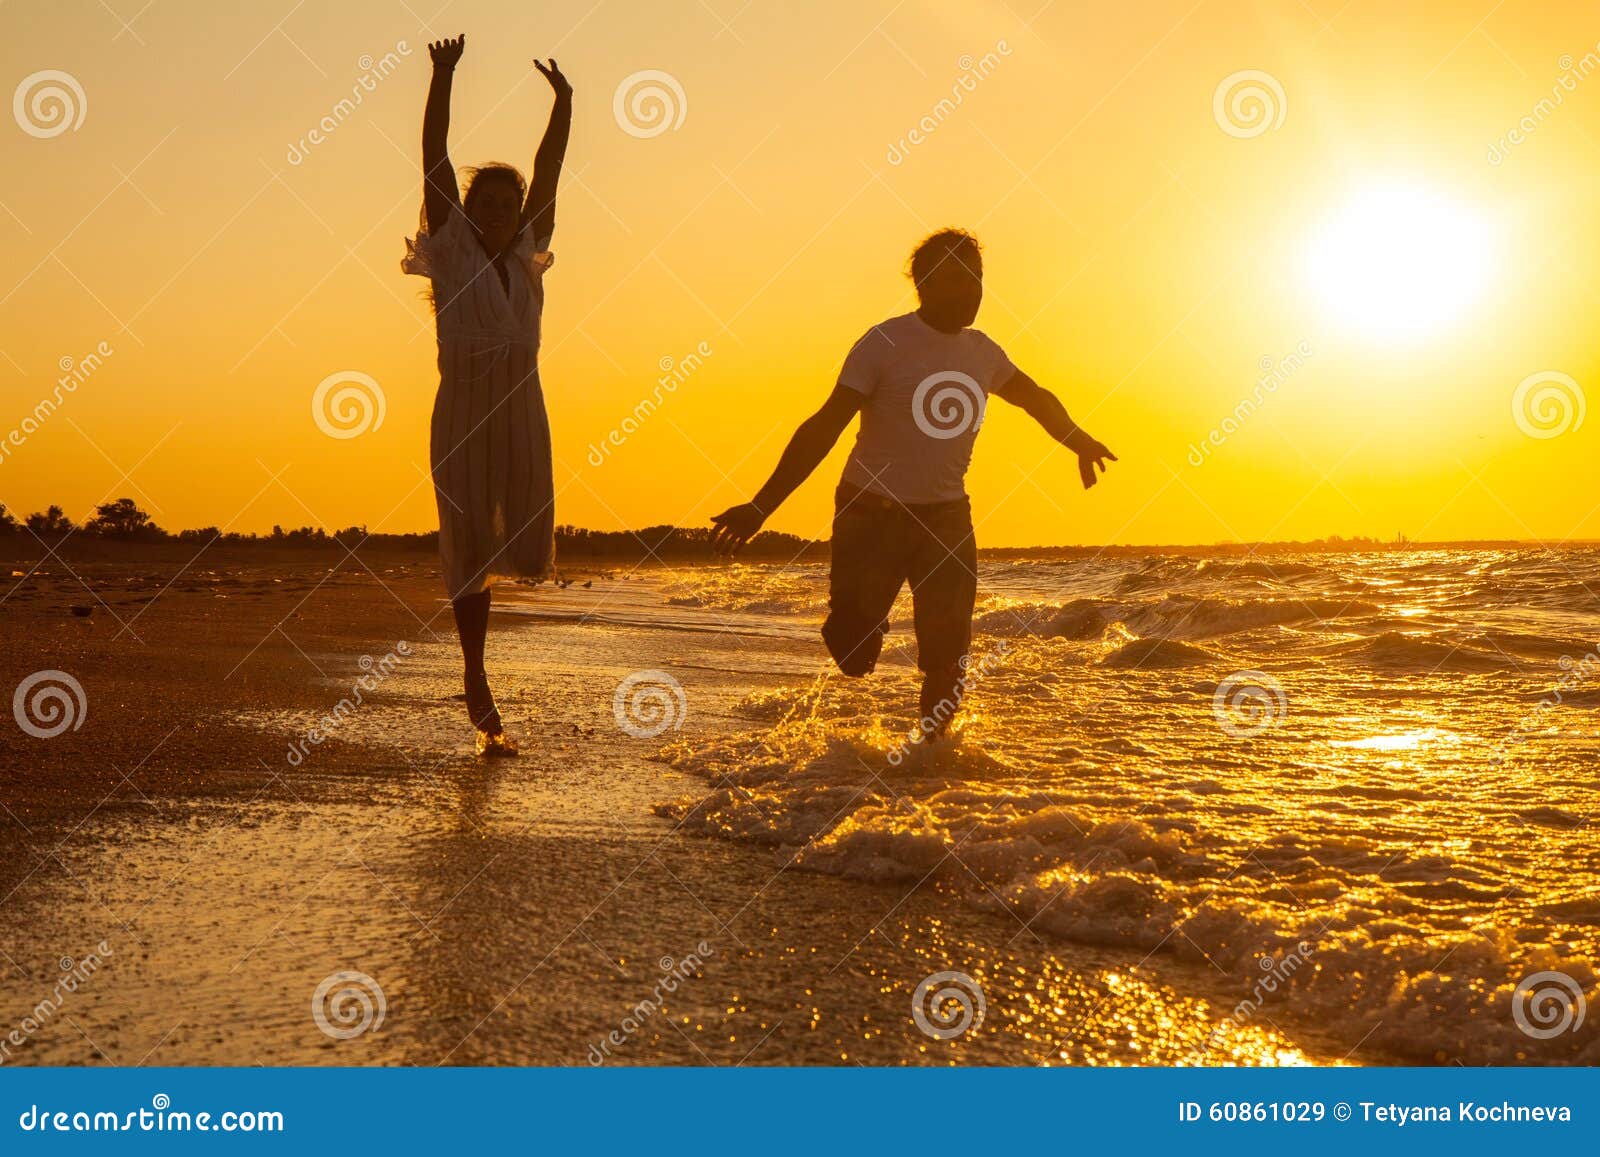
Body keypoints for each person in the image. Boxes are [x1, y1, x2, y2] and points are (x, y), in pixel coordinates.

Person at [710, 229, 1115, 741]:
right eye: (958, 279)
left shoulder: (983, 352)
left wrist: (1077, 440)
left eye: (978, 279)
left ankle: (930, 759)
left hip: (946, 518)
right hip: (869, 512)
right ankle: (863, 622)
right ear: (925, 283)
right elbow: (824, 425)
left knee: (948, 657)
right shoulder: (884, 343)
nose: (973, 292)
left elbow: (1035, 396)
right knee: (854, 656)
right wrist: (762, 506)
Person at [402, 35, 572, 755]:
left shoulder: (530, 252)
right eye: (488, 201)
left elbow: (551, 168)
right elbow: (434, 159)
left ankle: (478, 668)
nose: (501, 209)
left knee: (527, 538)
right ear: (468, 209)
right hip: (465, 406)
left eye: (511, 202)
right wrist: (441, 77)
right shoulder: (453, 245)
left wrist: (565, 104)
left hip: (524, 403)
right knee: (467, 539)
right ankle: (475, 672)